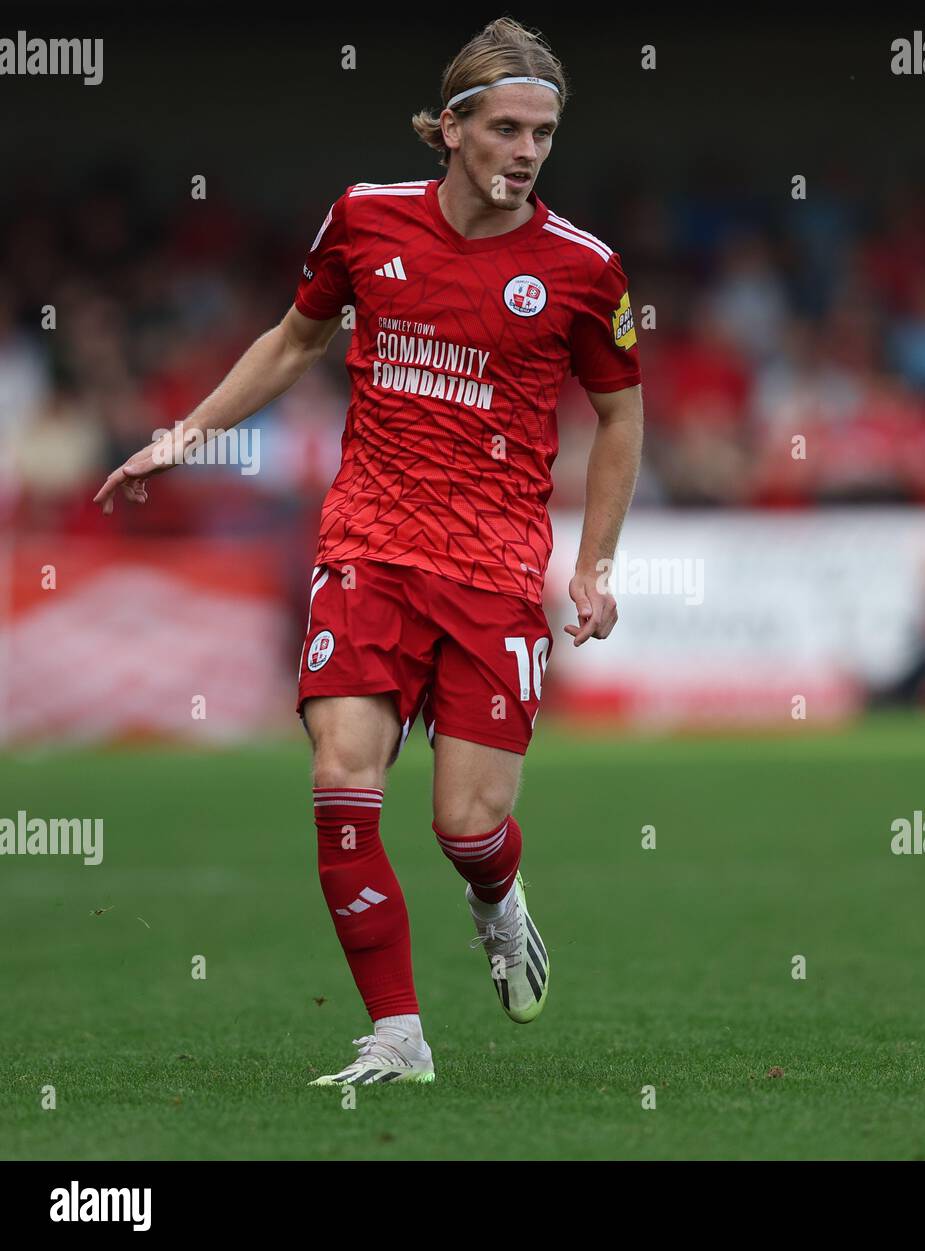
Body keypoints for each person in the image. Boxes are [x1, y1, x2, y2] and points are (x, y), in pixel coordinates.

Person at [92, 17, 644, 1086]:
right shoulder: (364, 219)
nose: (527, 152)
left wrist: (594, 566)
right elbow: (296, 339)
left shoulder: (582, 270)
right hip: (368, 547)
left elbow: (620, 419)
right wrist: (183, 437)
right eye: (506, 129)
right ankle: (398, 1035)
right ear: (450, 128)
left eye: (544, 133)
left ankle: (496, 899)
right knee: (343, 778)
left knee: (466, 827)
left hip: (492, 567)